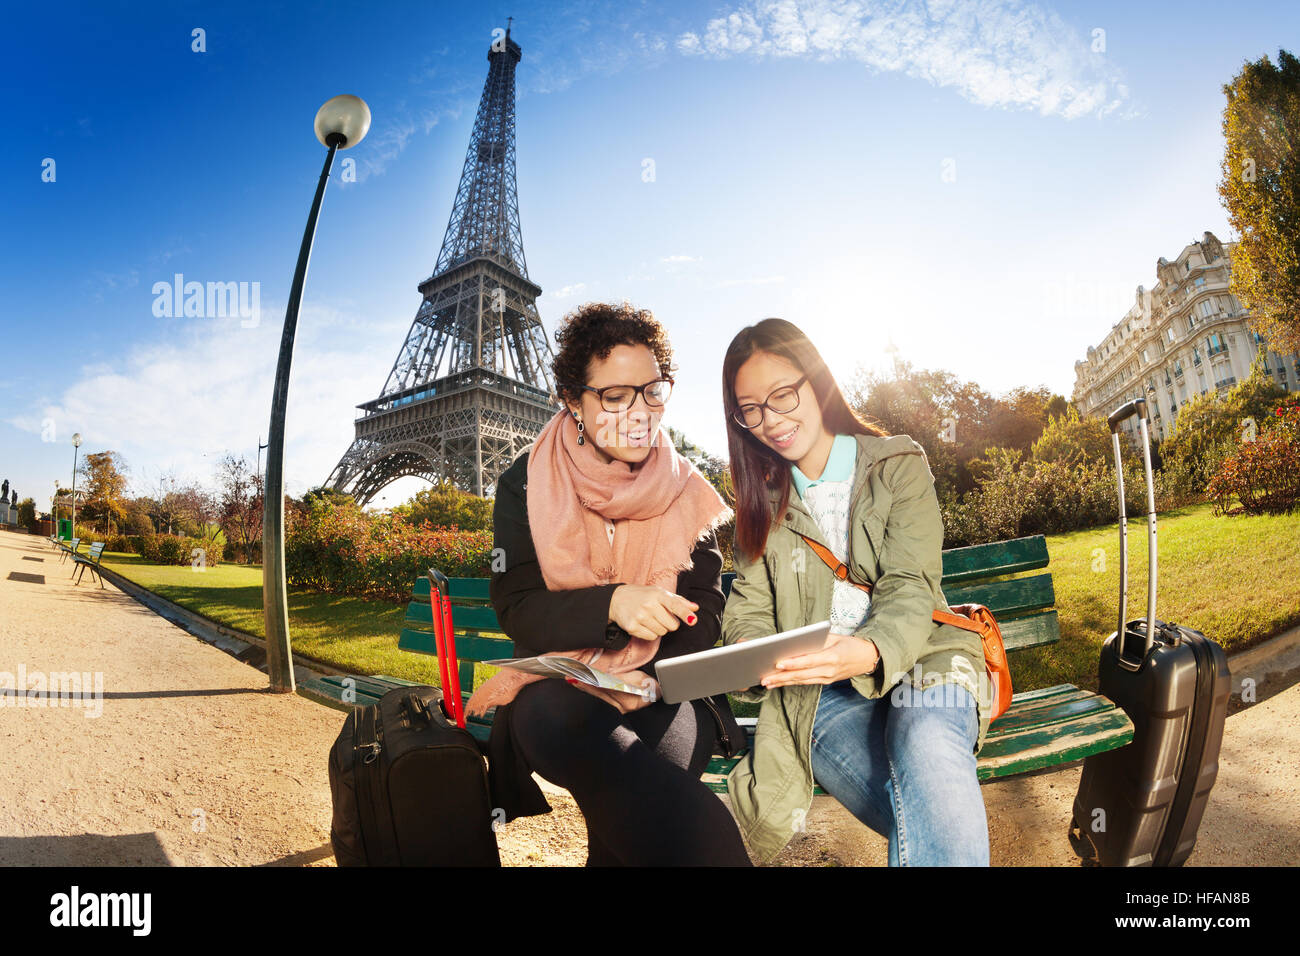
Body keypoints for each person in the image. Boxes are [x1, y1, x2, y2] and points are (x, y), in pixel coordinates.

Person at [466, 301, 752, 866]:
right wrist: (614, 605)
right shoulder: (524, 482)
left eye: (652, 391)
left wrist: (658, 644)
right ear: (572, 400)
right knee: (610, 763)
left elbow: (708, 608)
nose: (639, 412)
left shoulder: (686, 489)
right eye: (615, 396)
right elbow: (517, 607)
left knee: (641, 791)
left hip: (662, 690)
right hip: (557, 692)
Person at [718, 317, 992, 866]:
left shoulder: (897, 464)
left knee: (928, 755)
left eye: (782, 395)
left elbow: (912, 584)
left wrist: (865, 650)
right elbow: (746, 612)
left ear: (816, 380)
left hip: (926, 659)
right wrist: (760, 655)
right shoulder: (758, 509)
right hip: (820, 696)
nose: (770, 421)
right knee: (929, 812)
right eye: (751, 409)